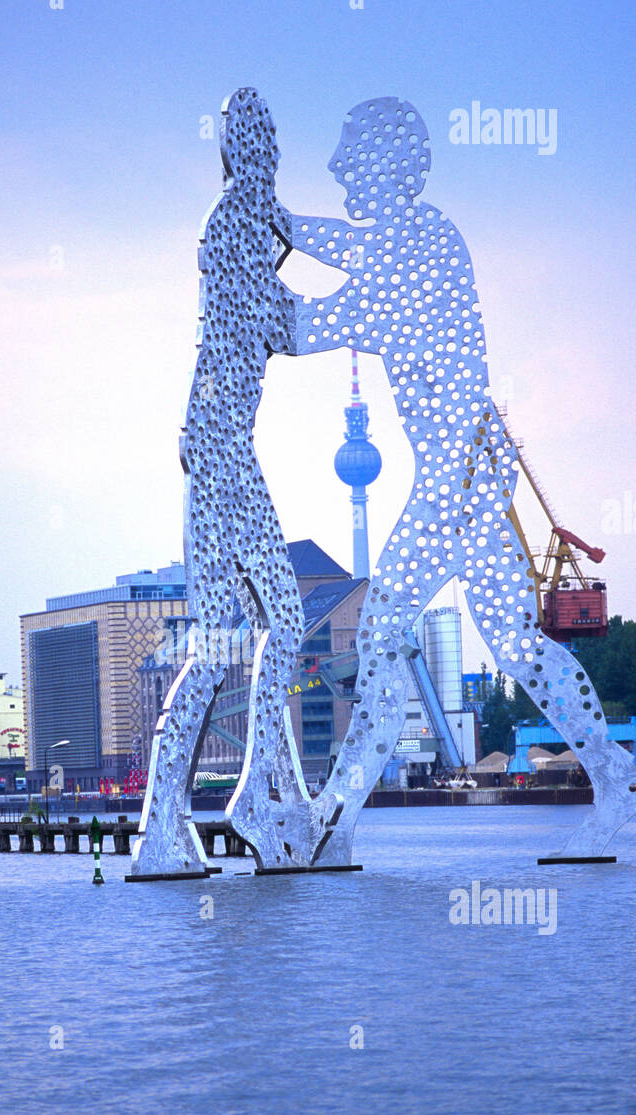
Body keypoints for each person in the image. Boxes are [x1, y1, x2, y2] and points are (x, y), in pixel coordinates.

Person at [288, 97, 635, 862]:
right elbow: (340, 263)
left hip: (457, 487)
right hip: (466, 482)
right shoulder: (412, 246)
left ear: (386, 162)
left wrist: (265, 237)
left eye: (350, 151)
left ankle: (333, 825)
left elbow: (313, 322)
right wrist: (277, 228)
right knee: (506, 645)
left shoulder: (423, 246)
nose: (338, 166)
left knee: (388, 639)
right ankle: (612, 780)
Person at [130, 88, 342, 878]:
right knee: (262, 625)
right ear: (235, 151)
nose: (270, 155)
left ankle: (198, 814)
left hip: (221, 446)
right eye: (258, 143)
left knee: (243, 632)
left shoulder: (248, 222)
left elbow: (286, 262)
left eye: (273, 142)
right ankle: (232, 801)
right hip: (221, 449)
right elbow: (282, 321)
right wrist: (370, 306)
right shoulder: (233, 229)